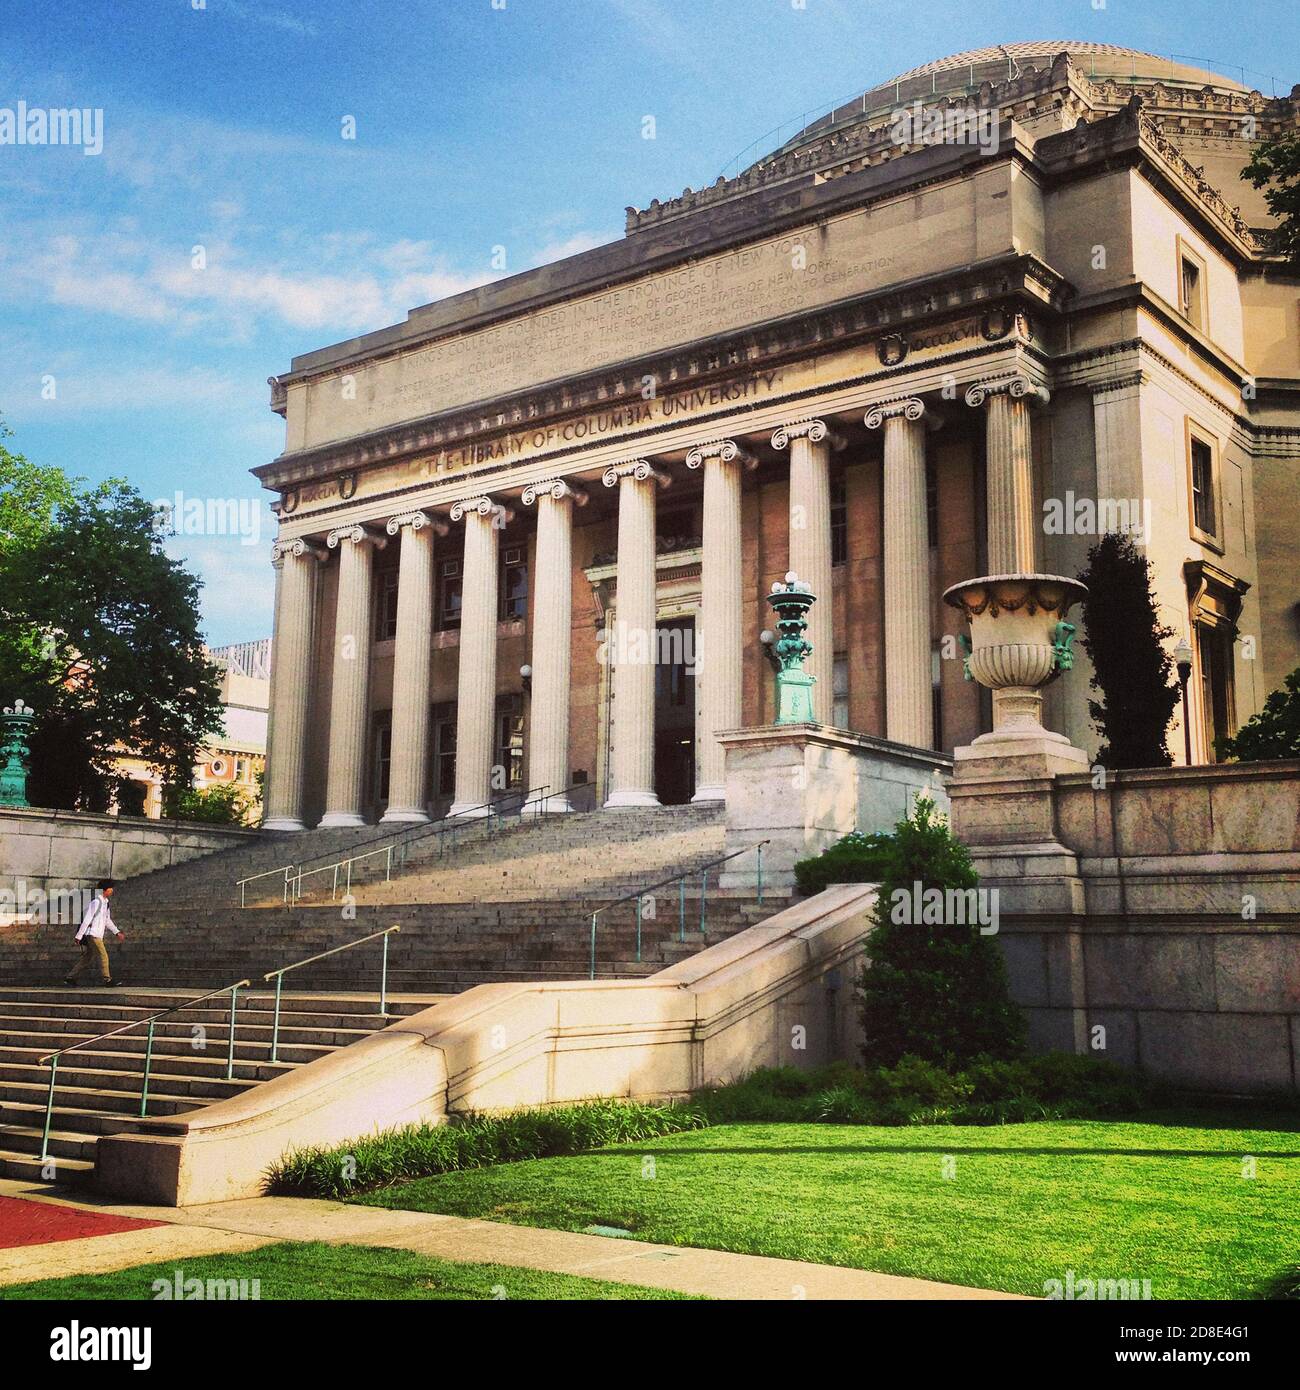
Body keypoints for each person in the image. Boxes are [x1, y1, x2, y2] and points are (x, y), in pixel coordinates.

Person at [66, 880, 124, 986]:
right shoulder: (96, 902)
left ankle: (70, 977)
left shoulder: (106, 904)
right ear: (105, 889)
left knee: (88, 957)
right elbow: (87, 919)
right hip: (93, 934)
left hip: (97, 934)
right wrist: (79, 935)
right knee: (103, 955)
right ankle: (107, 979)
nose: (112, 891)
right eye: (111, 888)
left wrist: (117, 932)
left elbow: (107, 920)